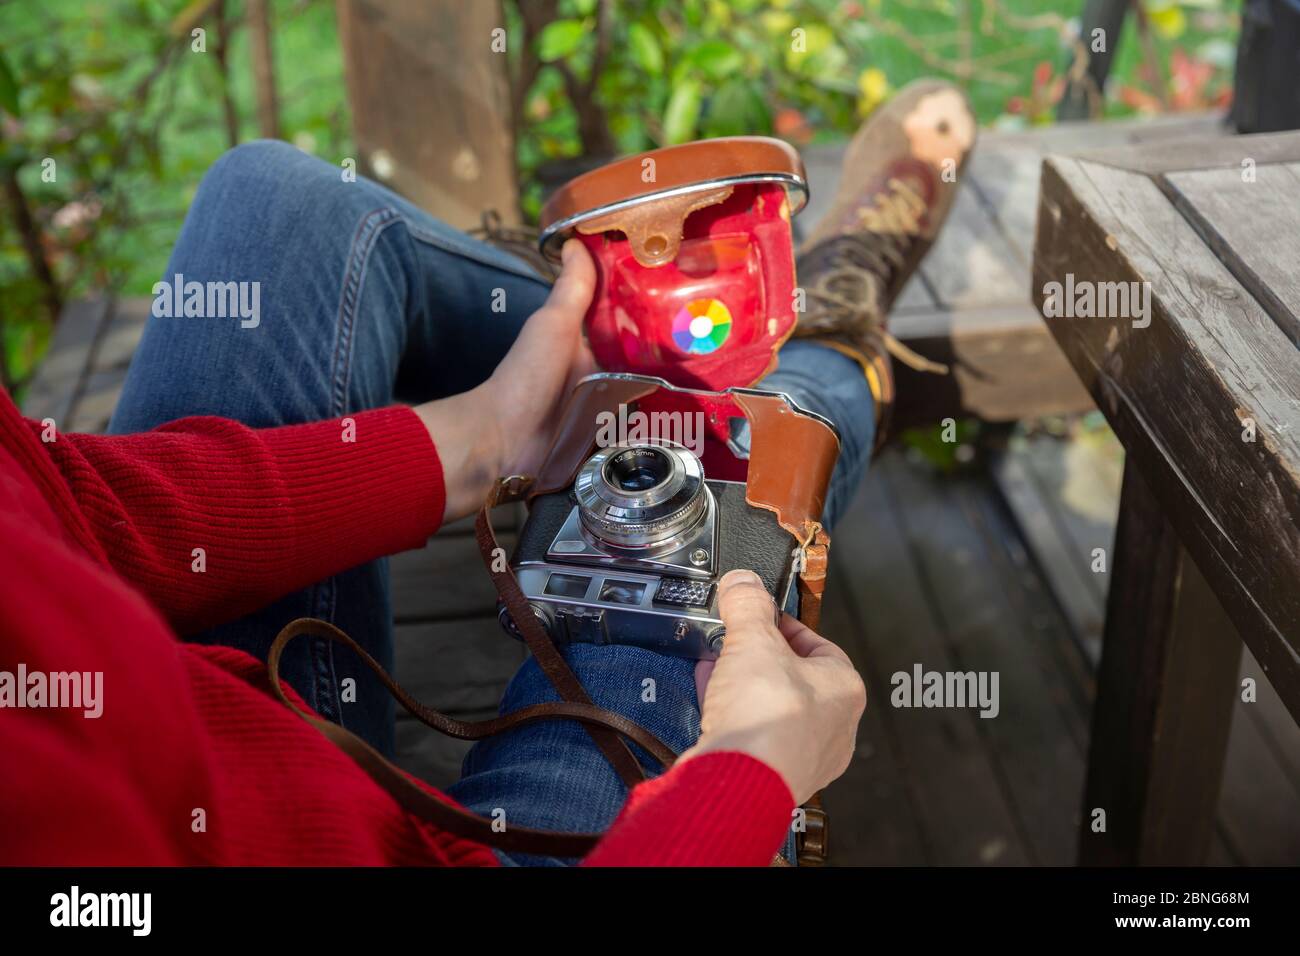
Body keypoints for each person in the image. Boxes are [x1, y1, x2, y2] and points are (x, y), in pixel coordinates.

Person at [0, 81, 975, 866]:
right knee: (696, 527)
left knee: (271, 204)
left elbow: (53, 505)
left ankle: (631, 324)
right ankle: (838, 327)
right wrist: (749, 771)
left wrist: (474, 444)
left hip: (183, 694)